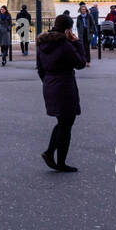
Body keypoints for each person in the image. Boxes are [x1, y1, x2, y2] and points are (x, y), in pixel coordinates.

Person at [37, 13, 86, 173]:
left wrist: (47, 82)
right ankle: (59, 161)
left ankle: (51, 154)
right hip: (64, 85)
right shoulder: (65, 45)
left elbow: (40, 68)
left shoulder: (42, 43)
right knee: (67, 123)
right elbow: (80, 63)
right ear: (67, 30)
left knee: (62, 122)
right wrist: (77, 43)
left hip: (49, 84)